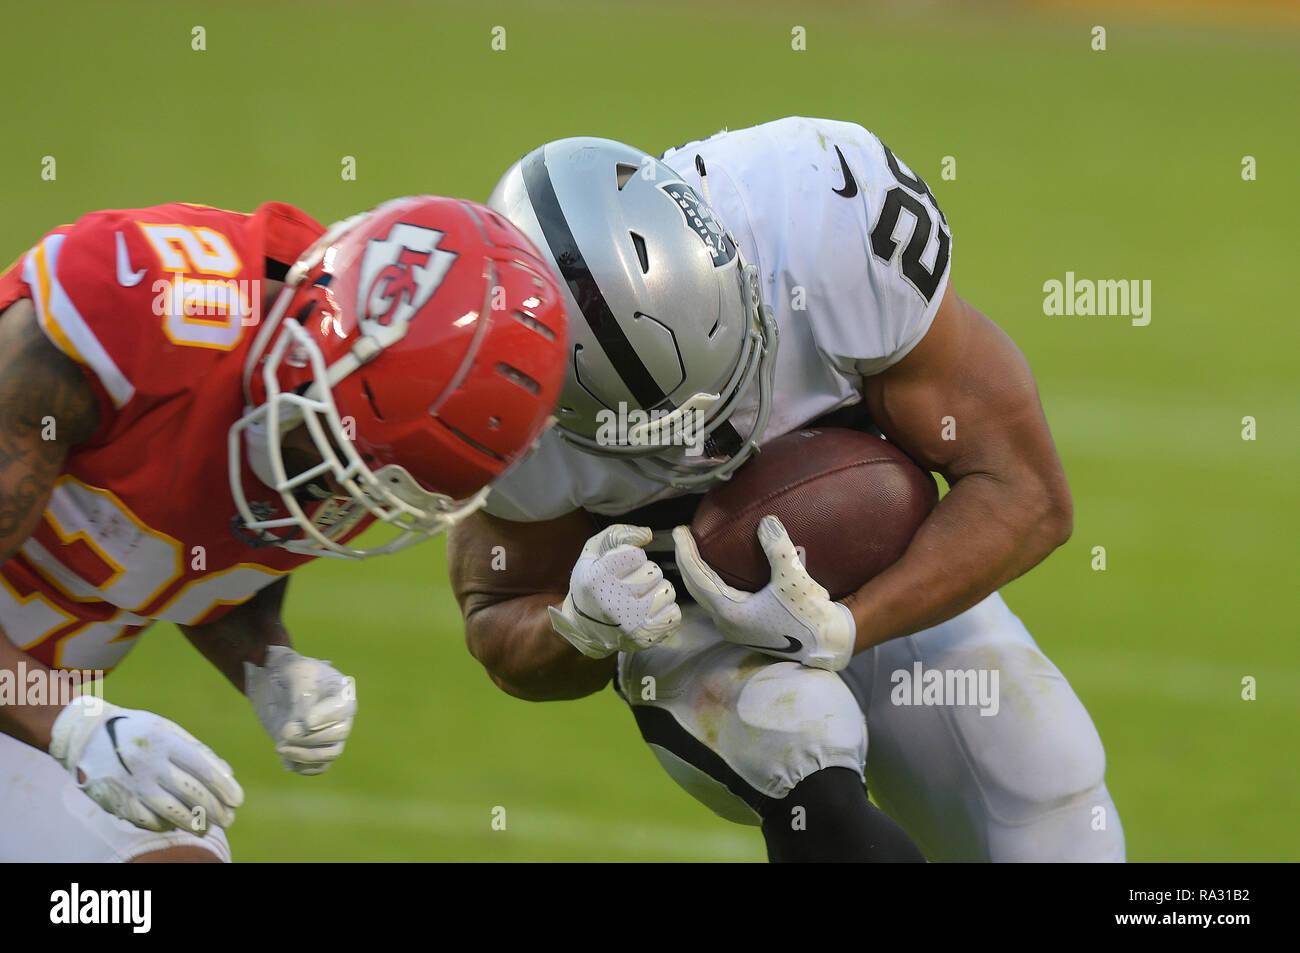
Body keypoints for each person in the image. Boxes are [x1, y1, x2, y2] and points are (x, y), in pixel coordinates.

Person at [450, 117, 1125, 861]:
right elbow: (498, 621)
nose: (708, 438)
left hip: (872, 564)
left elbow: (1025, 493)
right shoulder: (499, 393)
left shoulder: (823, 215)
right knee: (804, 749)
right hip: (689, 626)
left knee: (1046, 778)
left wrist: (844, 626)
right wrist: (579, 621)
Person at [0, 194, 568, 861]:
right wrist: (66, 723)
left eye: (364, 483)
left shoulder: (359, 427)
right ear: (308, 354)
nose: (330, 494)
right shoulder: (123, 319)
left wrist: (268, 663)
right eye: (326, 452)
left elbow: (199, 548)